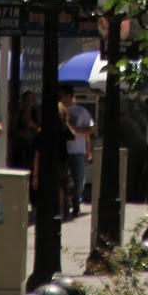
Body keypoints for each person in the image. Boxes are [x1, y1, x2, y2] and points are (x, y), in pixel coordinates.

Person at [58, 83, 94, 219]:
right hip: (63, 151)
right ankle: (66, 206)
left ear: (69, 96)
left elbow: (91, 130)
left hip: (77, 150)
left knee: (78, 181)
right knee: (64, 181)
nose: (60, 98)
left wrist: (77, 131)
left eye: (61, 95)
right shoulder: (58, 110)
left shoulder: (81, 111)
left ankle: (76, 202)